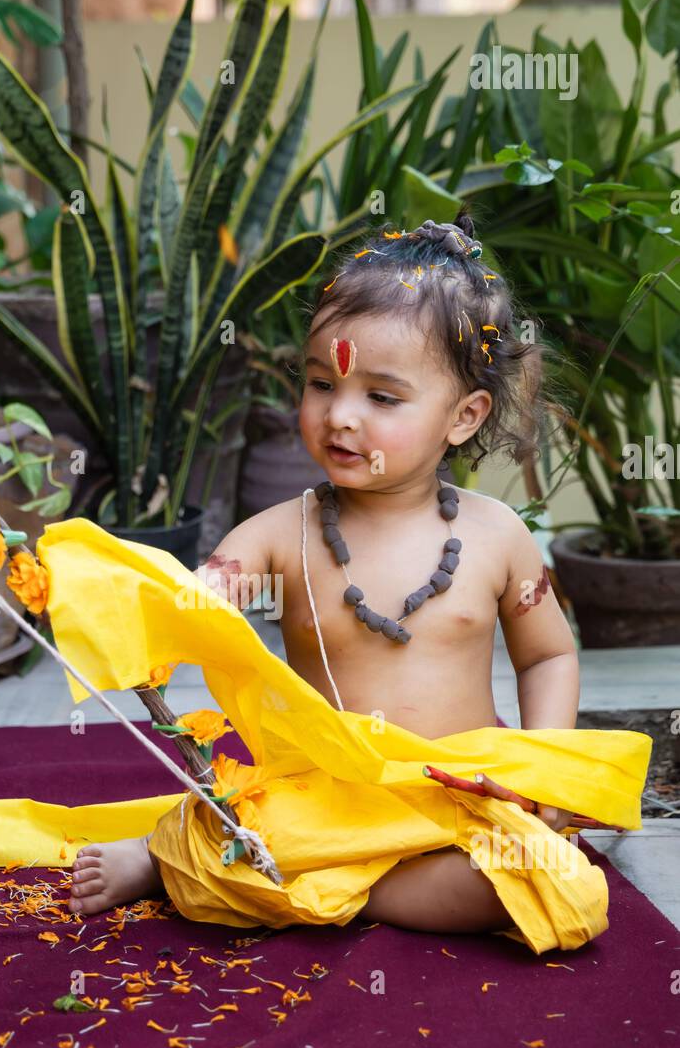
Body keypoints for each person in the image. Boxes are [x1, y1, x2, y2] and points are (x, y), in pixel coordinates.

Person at [69, 213, 586, 937]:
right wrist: (122, 598)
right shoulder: (284, 533)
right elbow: (191, 600)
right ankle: (170, 857)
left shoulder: (495, 535)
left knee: (553, 883)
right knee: (240, 827)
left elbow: (548, 653)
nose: (339, 415)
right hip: (320, 797)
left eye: (380, 396)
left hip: (454, 794)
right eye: (320, 383)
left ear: (464, 416)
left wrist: (547, 768)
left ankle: (342, 890)